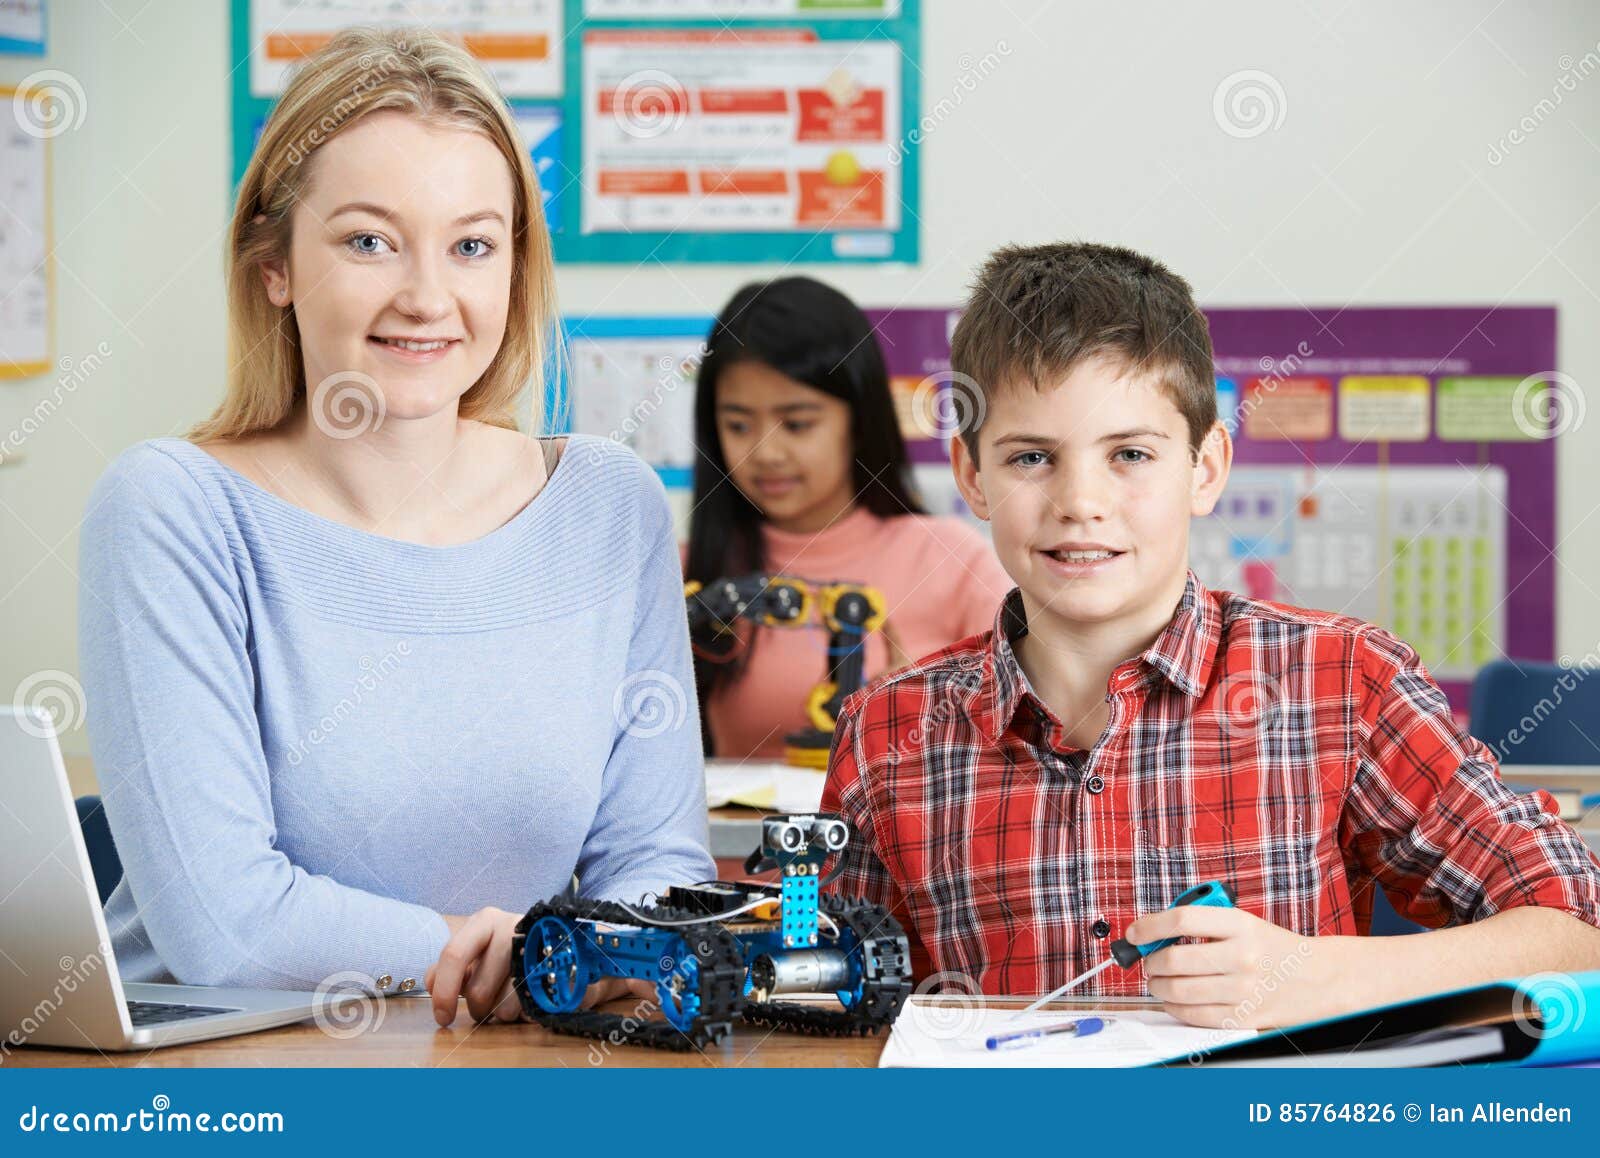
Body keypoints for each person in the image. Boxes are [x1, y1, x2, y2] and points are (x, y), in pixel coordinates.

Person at [77, 27, 710, 1029]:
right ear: (274, 264)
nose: (427, 297)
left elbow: (658, 865)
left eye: (471, 245)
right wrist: (518, 958)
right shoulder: (172, 508)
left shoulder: (607, 504)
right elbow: (220, 924)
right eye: (369, 240)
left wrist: (561, 961)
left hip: (513, 1068)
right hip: (221, 1082)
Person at [822, 241, 1600, 1028]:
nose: (1080, 502)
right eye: (1031, 457)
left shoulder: (1342, 683)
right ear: (971, 476)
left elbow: (1576, 931)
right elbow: (840, 1014)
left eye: (1129, 453)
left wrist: (1325, 977)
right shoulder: (886, 735)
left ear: (1206, 468)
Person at [684, 276, 1011, 760]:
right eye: (737, 424)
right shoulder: (686, 573)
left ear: (858, 420)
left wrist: (917, 710)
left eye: (797, 424)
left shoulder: (950, 558)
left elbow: (1031, 734)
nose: (765, 452)